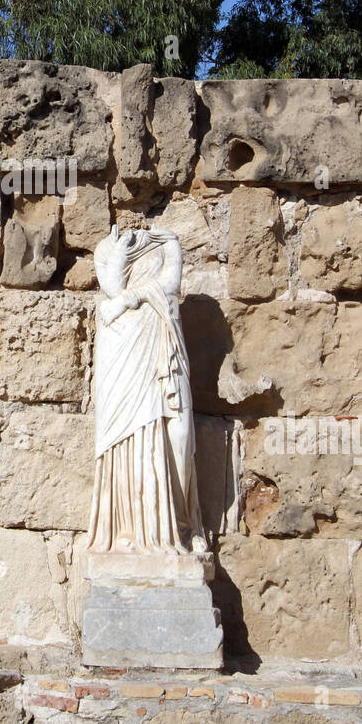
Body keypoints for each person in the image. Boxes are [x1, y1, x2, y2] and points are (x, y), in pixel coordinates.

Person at [86, 224, 208, 557]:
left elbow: (171, 284)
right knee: (127, 437)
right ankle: (131, 530)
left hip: (165, 344)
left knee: (180, 436)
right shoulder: (107, 247)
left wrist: (131, 298)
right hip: (125, 349)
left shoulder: (167, 241)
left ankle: (182, 525)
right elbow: (111, 286)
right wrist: (121, 248)